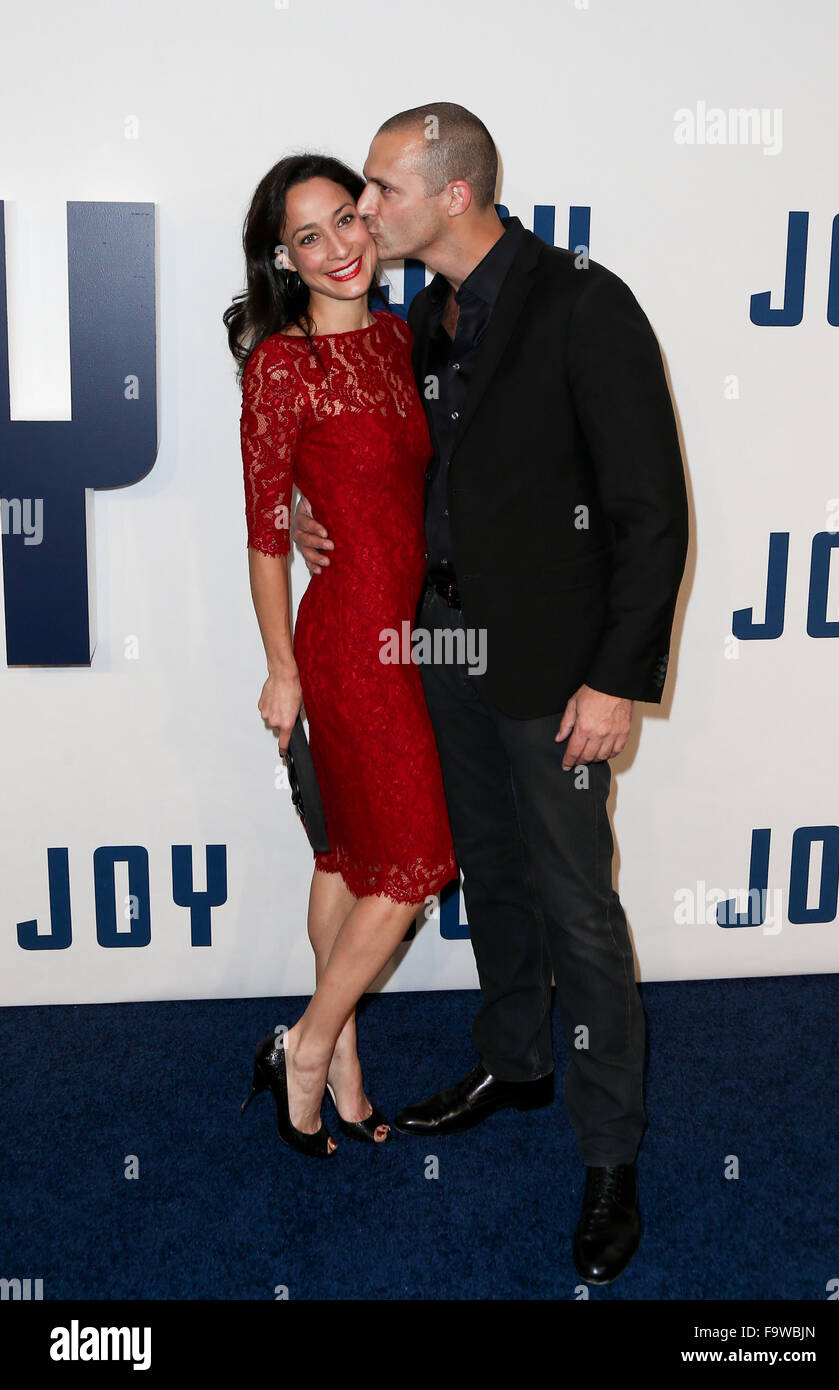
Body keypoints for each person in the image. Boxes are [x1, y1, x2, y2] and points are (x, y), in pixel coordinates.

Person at [292, 104, 689, 1277]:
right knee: (489, 864)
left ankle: (608, 1153)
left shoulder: (581, 302)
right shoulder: (426, 318)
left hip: (556, 666)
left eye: (378, 189)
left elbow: (649, 513)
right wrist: (307, 518)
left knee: (578, 904)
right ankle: (517, 1060)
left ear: (451, 193)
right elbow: (405, 476)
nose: (362, 213)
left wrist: (614, 683)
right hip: (444, 651)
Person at [224, 153, 457, 1159]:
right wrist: (280, 669)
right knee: (415, 862)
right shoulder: (284, 365)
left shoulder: (404, 338)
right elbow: (265, 529)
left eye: (344, 222)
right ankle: (310, 1045)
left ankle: (343, 1063)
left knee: (349, 853)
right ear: (283, 257)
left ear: (372, 223)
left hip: (411, 631)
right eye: (305, 237)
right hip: (344, 641)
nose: (334, 249)